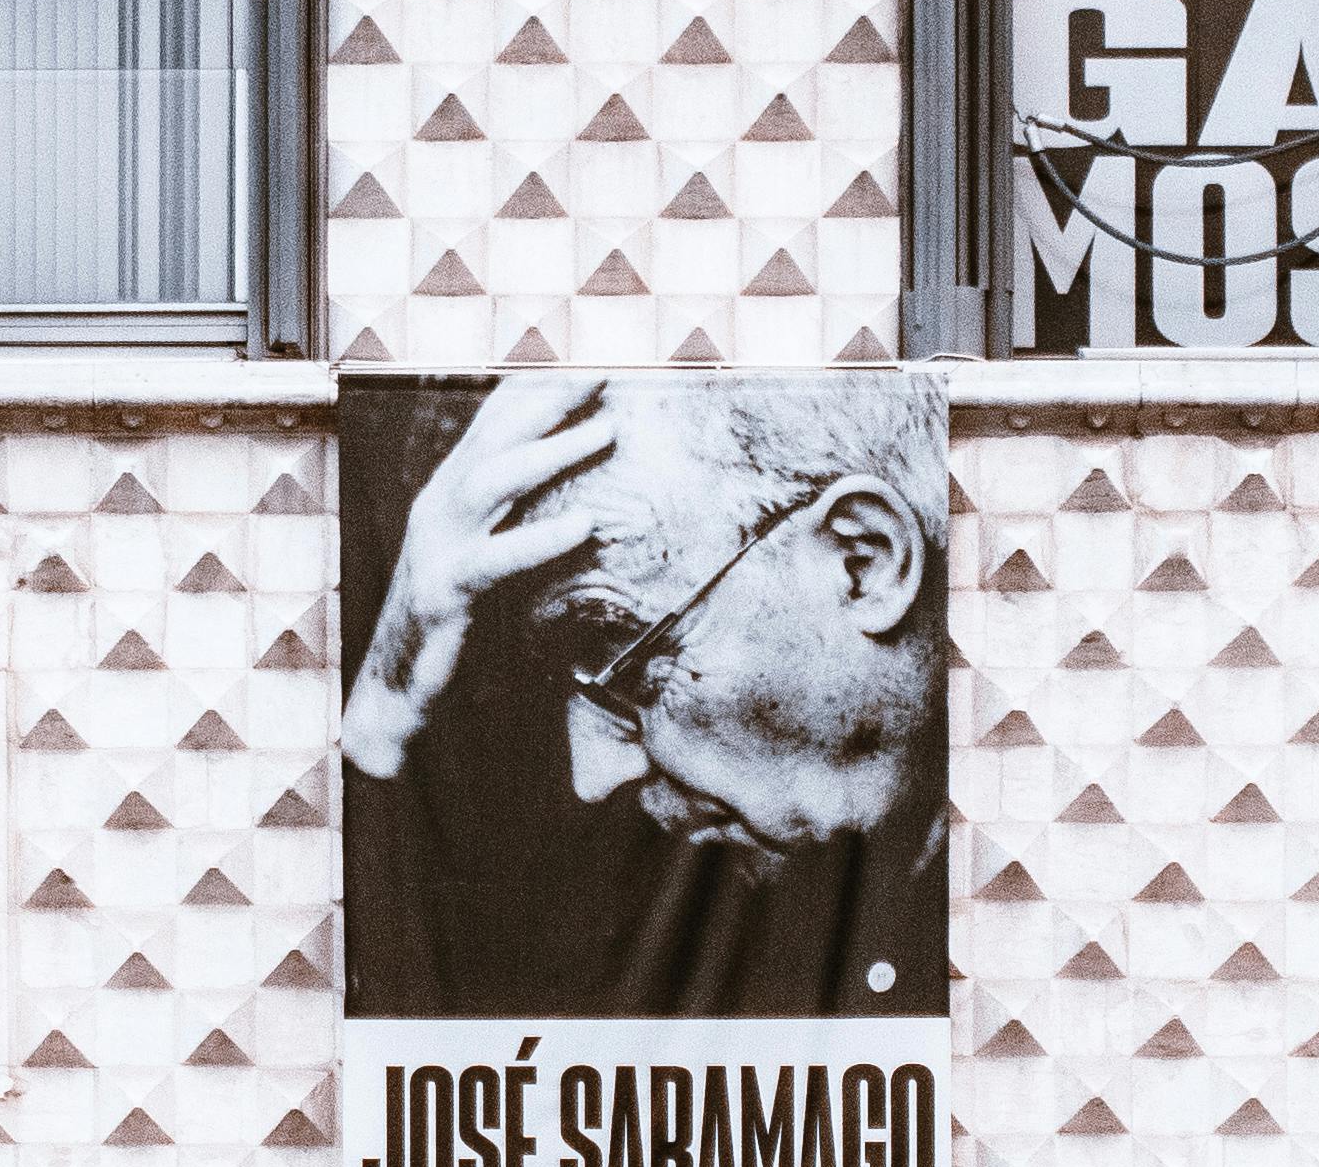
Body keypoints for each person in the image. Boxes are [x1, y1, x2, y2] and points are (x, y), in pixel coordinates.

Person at [341, 371, 951, 1018]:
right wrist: (385, 708)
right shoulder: (653, 895)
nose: (594, 777)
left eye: (631, 665)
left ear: (863, 563)